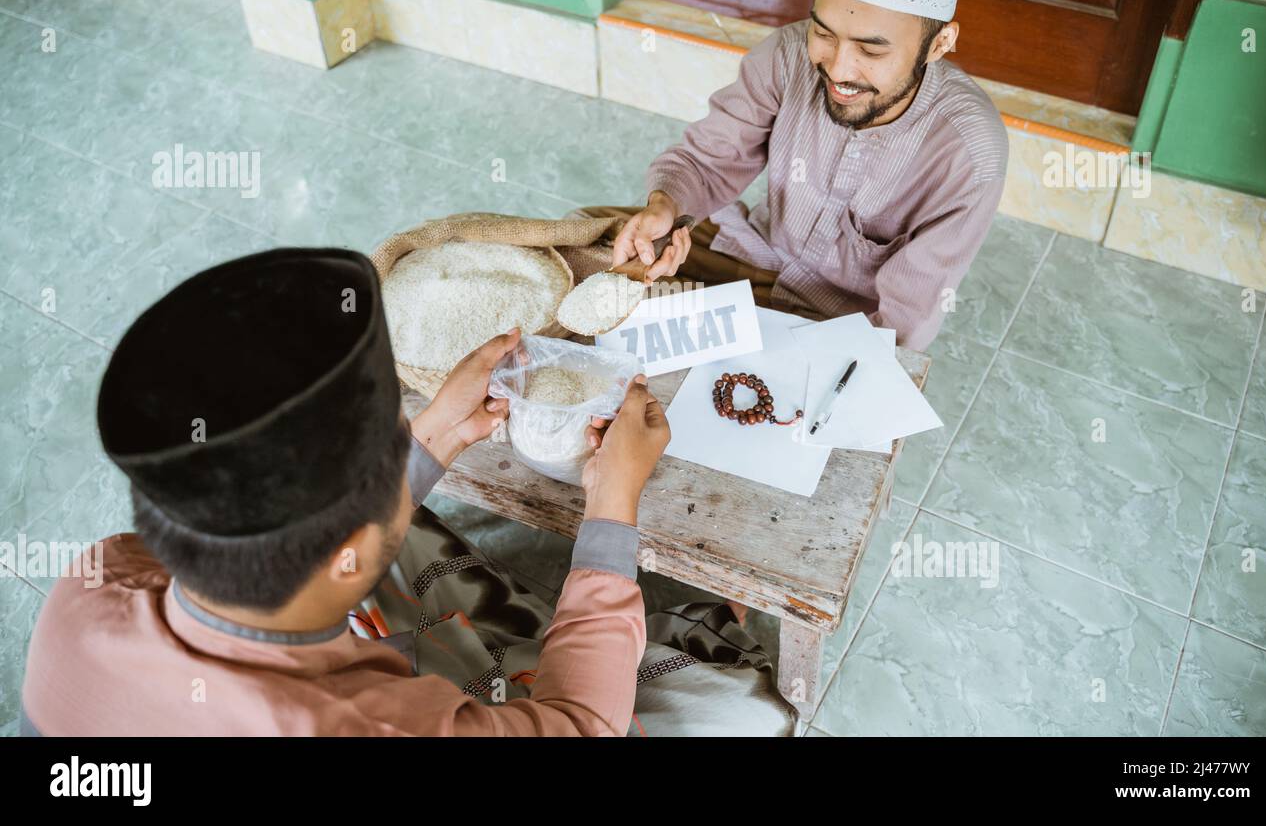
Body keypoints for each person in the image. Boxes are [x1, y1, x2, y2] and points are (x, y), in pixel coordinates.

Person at [20, 248, 795, 736]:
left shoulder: (92, 589)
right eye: (393, 443)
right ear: (348, 554)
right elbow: (582, 724)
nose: (407, 442)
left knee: (415, 538)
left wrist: (433, 439)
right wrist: (611, 506)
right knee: (745, 713)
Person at [579, 0, 1010, 351]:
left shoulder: (969, 152)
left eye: (870, 49)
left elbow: (905, 321)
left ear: (939, 44)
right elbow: (709, 160)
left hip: (836, 319)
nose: (839, 69)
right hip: (753, 254)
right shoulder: (787, 54)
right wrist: (664, 207)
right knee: (585, 242)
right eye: (824, 33)